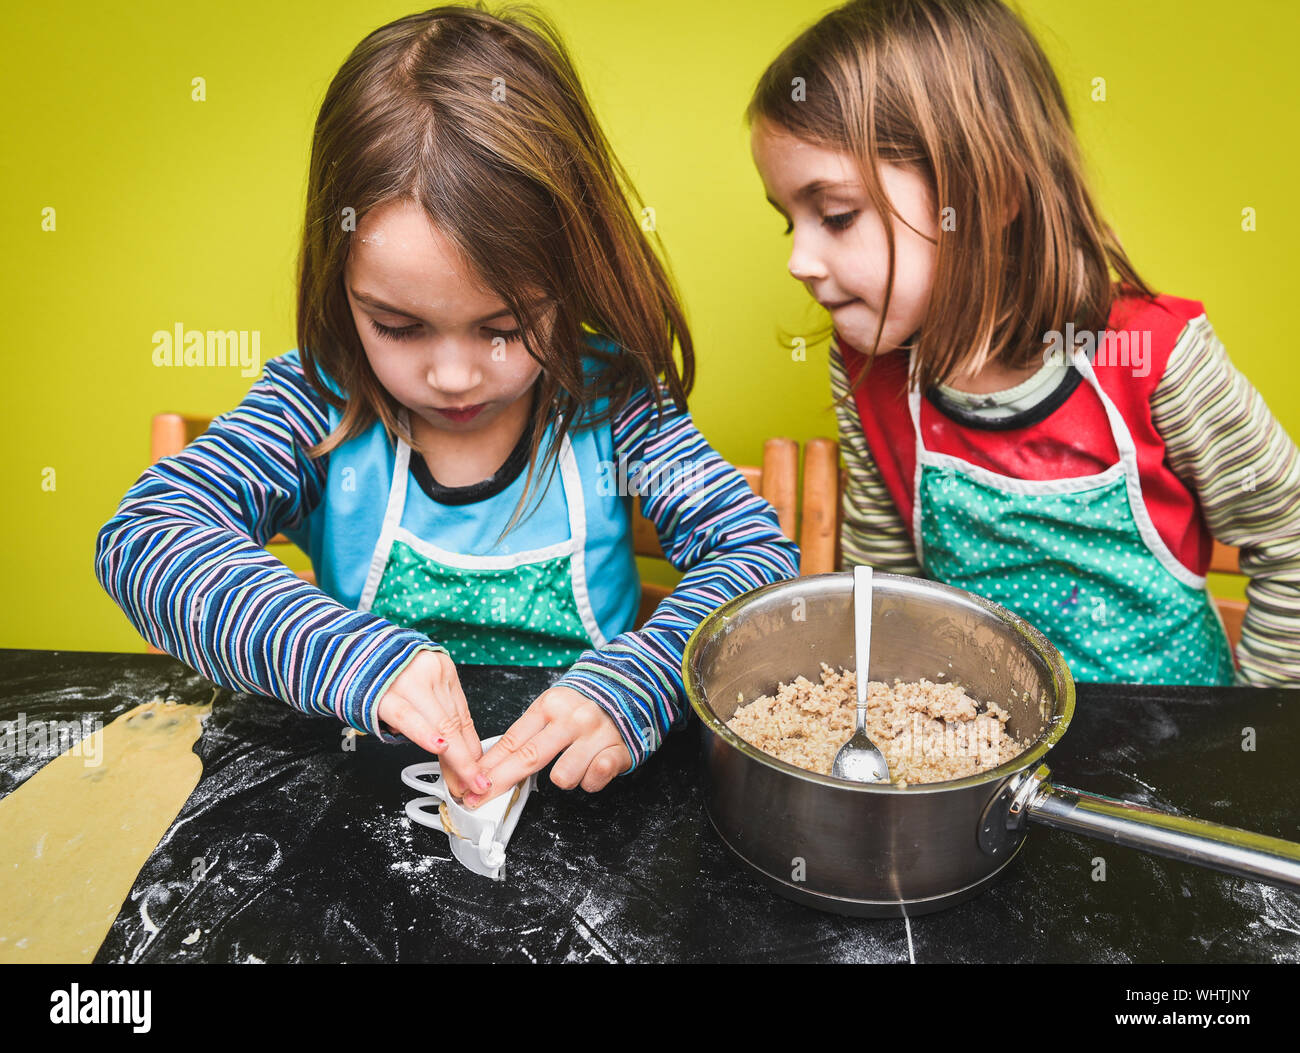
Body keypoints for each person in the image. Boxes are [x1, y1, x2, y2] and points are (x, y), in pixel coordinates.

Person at [95, 5, 800, 809]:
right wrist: (349, 657)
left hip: (589, 812)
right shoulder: (316, 404)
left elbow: (760, 563)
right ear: (340, 281)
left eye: (505, 326)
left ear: (570, 275)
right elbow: (145, 537)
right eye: (398, 326)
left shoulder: (613, 403)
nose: (457, 375)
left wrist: (640, 683)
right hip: (352, 816)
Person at [748, 0, 1299, 686]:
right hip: (979, 739)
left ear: (991, 192)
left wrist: (1261, 731)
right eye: (789, 222)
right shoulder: (868, 369)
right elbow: (884, 588)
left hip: (1180, 751)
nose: (800, 260)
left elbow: (1290, 536)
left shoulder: (1158, 360)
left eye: (835, 214)